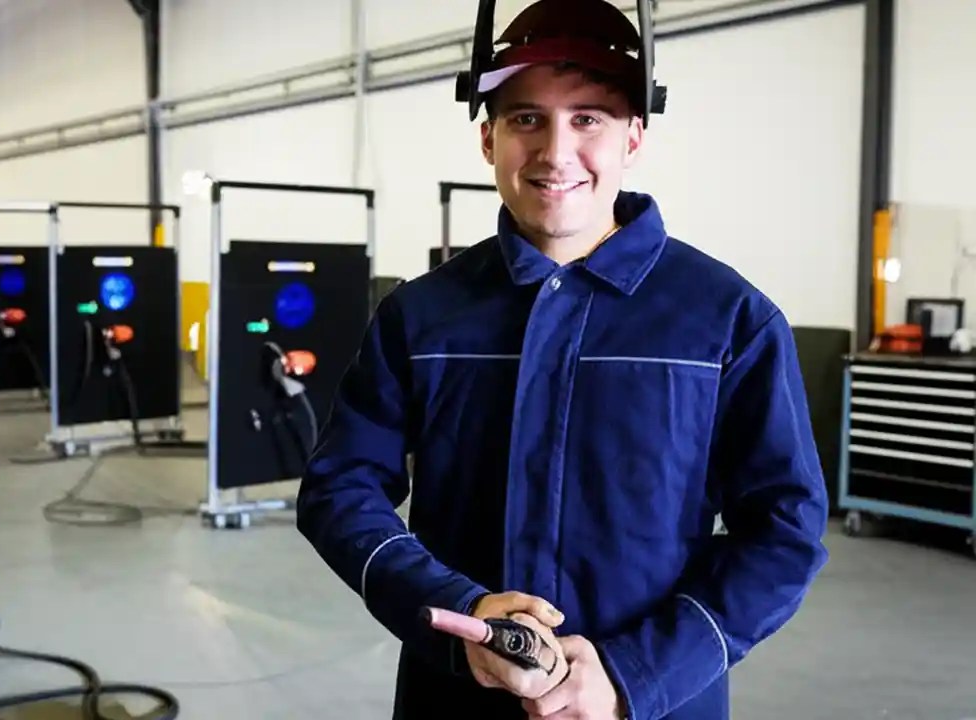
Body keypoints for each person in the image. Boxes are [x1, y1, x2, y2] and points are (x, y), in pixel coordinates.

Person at [295, 0, 830, 718]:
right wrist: (457, 608)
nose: (554, 152)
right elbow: (340, 489)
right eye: (526, 119)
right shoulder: (421, 317)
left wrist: (633, 674)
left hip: (653, 703)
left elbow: (785, 529)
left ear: (633, 137)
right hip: (456, 695)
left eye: (588, 119)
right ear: (488, 139)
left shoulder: (727, 319)